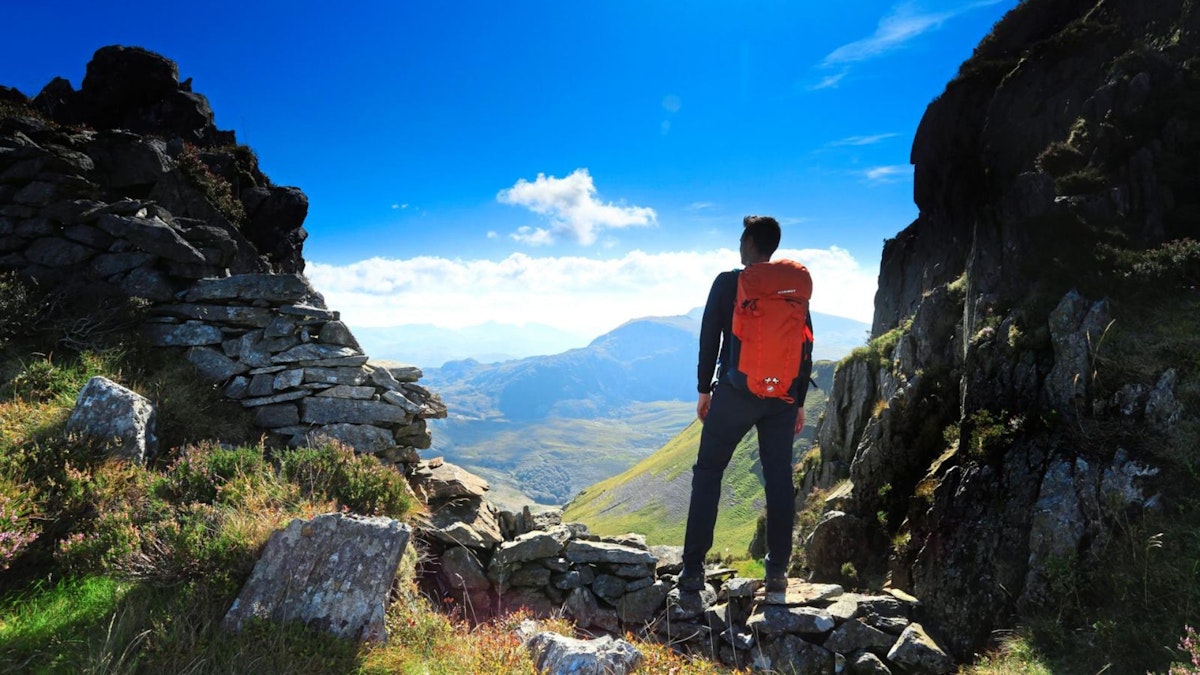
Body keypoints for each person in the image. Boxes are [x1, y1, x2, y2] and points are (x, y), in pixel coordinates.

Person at [679, 215, 814, 593]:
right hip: (782, 399)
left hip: (737, 394)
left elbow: (710, 337)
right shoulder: (791, 289)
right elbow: (805, 343)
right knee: (779, 481)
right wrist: (798, 400)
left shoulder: (729, 283)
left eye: (743, 238)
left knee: (708, 472)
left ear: (751, 243)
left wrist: (704, 388)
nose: (739, 244)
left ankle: (692, 570)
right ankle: (777, 572)